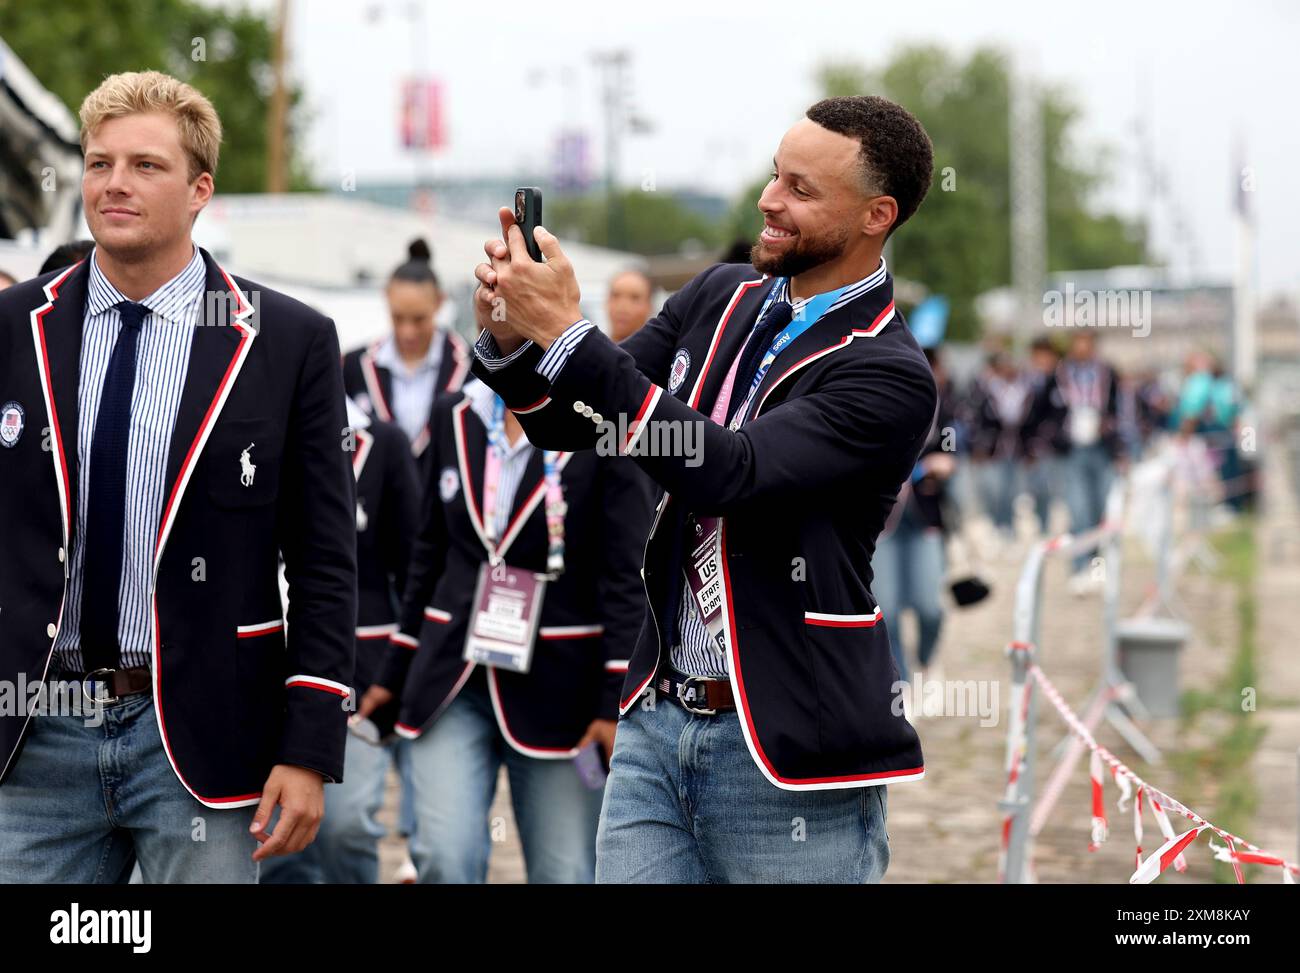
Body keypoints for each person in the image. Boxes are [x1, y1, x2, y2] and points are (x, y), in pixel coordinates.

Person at [471, 95, 937, 883]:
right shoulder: (719, 295)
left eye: (800, 188)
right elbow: (580, 424)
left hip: (788, 746)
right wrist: (518, 334)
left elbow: (729, 471)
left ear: (875, 215)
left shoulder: (889, 372)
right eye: (772, 175)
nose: (768, 199)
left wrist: (574, 336)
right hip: (657, 718)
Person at [0, 71, 356, 883]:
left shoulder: (286, 341)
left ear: (200, 190)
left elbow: (327, 560)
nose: (114, 183)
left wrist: (310, 743)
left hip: (203, 730)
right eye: (99, 163)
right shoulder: (13, 327)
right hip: (36, 728)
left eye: (145, 166)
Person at [357, 379, 652, 883]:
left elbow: (626, 571)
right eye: (487, 294)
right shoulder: (455, 411)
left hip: (566, 694)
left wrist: (613, 704)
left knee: (567, 871)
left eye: (512, 294)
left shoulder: (606, 415)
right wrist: (396, 666)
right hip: (452, 674)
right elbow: (427, 554)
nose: (496, 302)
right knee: (445, 859)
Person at [260, 396, 421, 884]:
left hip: (354, 664)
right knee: (271, 838)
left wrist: (393, 664)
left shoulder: (383, 442)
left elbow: (414, 562)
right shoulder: (246, 425)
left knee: (345, 825)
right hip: (258, 662)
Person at [342, 240, 471, 467]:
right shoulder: (354, 366)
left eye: (419, 319)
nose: (407, 332)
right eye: (398, 317)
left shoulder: (470, 366)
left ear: (439, 302)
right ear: (386, 298)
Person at [873, 347, 957, 696]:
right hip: (880, 525)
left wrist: (942, 464)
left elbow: (952, 453)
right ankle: (901, 682)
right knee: (886, 609)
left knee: (929, 606)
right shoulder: (875, 401)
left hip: (925, 520)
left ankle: (926, 662)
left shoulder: (944, 412)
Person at [605, 268, 655, 343]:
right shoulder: (589, 352)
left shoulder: (661, 353)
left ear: (649, 306)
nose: (622, 307)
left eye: (634, 298)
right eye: (616, 296)